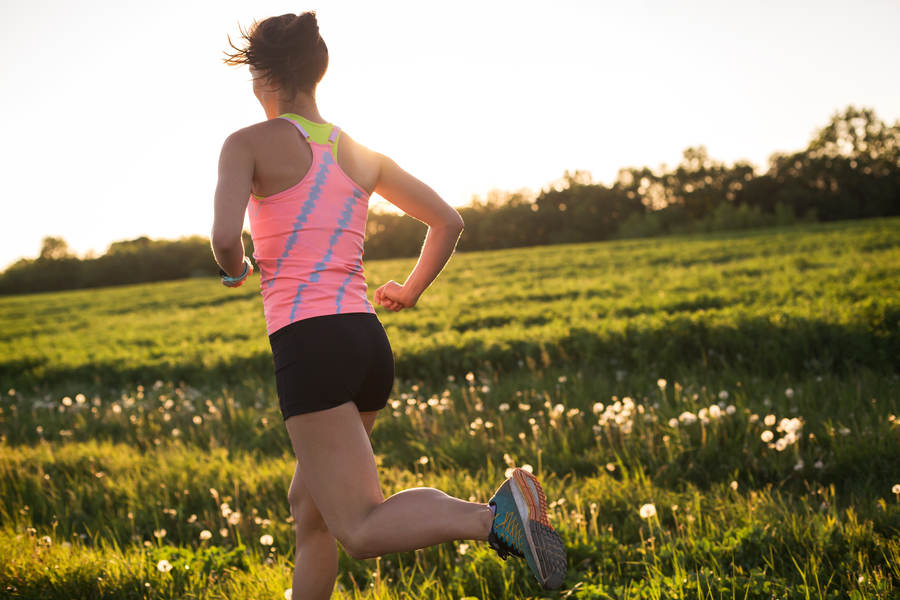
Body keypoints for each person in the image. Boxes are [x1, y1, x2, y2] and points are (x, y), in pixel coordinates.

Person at [211, 11, 567, 598]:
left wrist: (237, 271)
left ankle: (494, 518)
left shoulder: (246, 143)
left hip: (311, 343)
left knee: (358, 526)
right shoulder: (359, 152)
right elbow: (447, 221)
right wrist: (409, 289)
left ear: (264, 75)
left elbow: (226, 241)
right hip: (365, 343)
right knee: (311, 510)